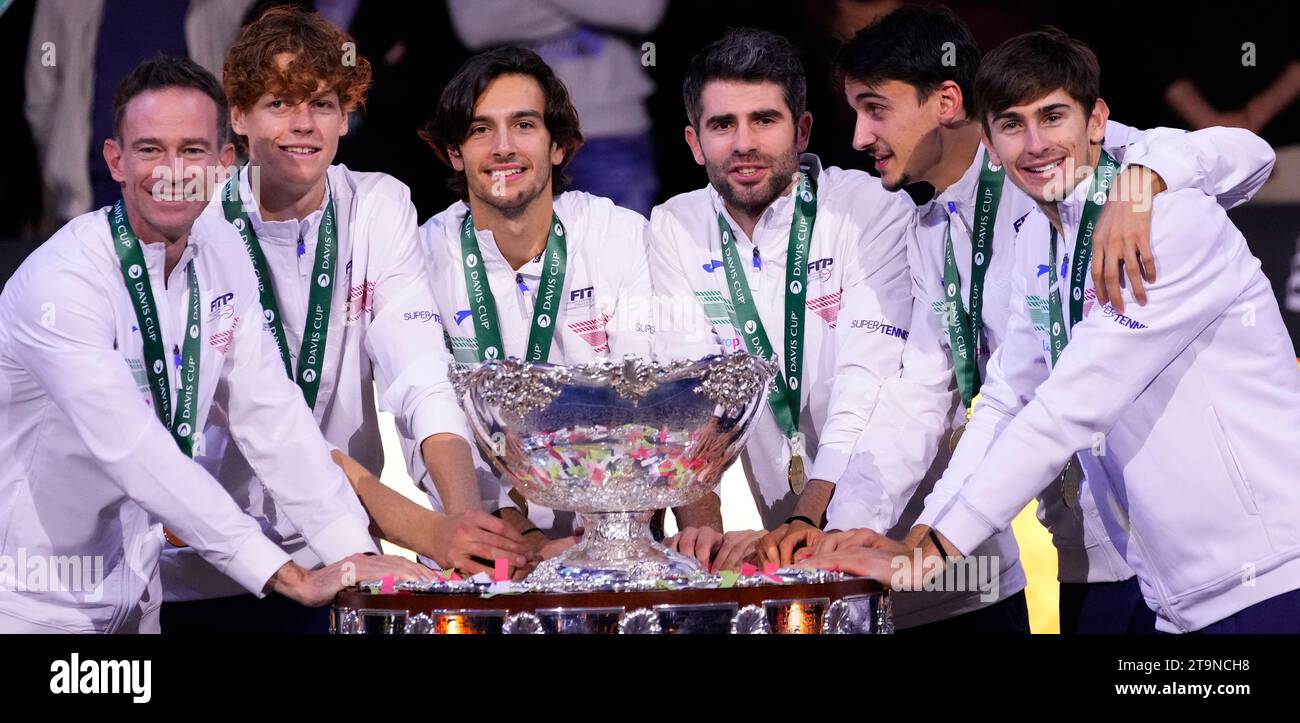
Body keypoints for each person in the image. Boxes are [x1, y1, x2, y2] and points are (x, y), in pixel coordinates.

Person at [782, 4, 1275, 633]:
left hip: (1215, 564)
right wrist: (863, 527)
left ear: (946, 100)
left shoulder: (1063, 167)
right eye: (856, 111)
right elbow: (975, 397)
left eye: (875, 108)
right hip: (1091, 557)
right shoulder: (941, 229)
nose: (856, 136)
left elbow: (1243, 152)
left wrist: (1147, 179)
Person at [0, 55, 431, 633]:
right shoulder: (63, 282)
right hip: (29, 605)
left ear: (225, 162)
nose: (173, 169)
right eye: (150, 149)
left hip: (137, 595)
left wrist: (352, 557)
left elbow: (272, 421)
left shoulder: (221, 251)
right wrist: (286, 574)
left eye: (194, 150)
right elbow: (134, 450)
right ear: (115, 161)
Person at [158, 7, 527, 634]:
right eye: (280, 103)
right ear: (239, 117)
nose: (304, 125)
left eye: (323, 103)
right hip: (201, 570)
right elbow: (270, 429)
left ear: (346, 115)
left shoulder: (379, 203)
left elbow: (419, 374)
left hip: (340, 561)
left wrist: (468, 525)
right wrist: (430, 532)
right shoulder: (198, 221)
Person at [644, 29, 1022, 631]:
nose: (744, 143)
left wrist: (814, 514)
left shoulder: (872, 206)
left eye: (764, 120)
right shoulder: (673, 227)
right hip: (812, 583)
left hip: (953, 586)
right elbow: (692, 393)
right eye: (722, 125)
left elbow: (868, 379)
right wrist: (703, 533)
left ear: (802, 131)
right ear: (693, 141)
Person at [414, 47, 714, 550]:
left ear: (558, 146)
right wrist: (519, 535)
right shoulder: (424, 256)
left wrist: (701, 535)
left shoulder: (617, 235)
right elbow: (425, 411)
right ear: (453, 152)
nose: (503, 147)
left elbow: (668, 394)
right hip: (490, 543)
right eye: (480, 129)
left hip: (623, 538)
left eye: (524, 125)